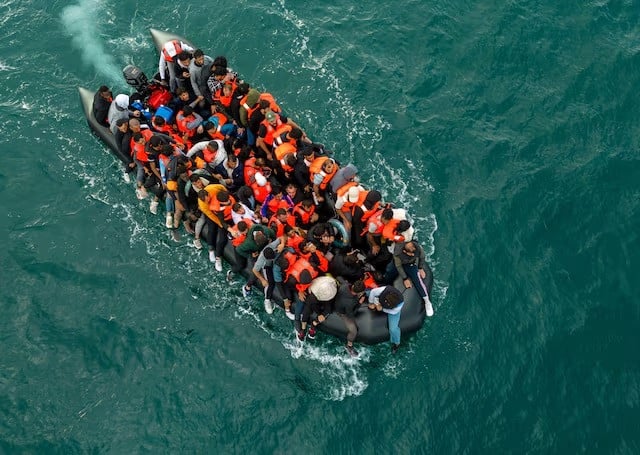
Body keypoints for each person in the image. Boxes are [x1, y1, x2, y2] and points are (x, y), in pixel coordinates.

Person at [390, 239, 434, 317]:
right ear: (404, 251)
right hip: (399, 263)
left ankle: (427, 301)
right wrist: (405, 278)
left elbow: (422, 257)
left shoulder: (417, 248)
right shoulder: (397, 254)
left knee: (418, 281)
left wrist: (420, 268)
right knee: (388, 273)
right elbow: (398, 266)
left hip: (410, 264)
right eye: (411, 254)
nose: (413, 255)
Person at [334, 278, 366, 356]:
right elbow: (350, 314)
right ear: (360, 293)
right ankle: (349, 345)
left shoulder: (345, 286)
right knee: (354, 330)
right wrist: (359, 303)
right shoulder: (352, 302)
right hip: (341, 312)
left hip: (338, 301)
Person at [368, 285, 405, 353]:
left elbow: (393, 312)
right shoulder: (383, 290)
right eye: (386, 301)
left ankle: (397, 343)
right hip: (379, 301)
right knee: (368, 292)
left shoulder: (399, 303)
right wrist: (371, 303)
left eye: (388, 304)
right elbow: (373, 292)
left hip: (388, 310)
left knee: (393, 329)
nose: (387, 303)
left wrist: (382, 309)